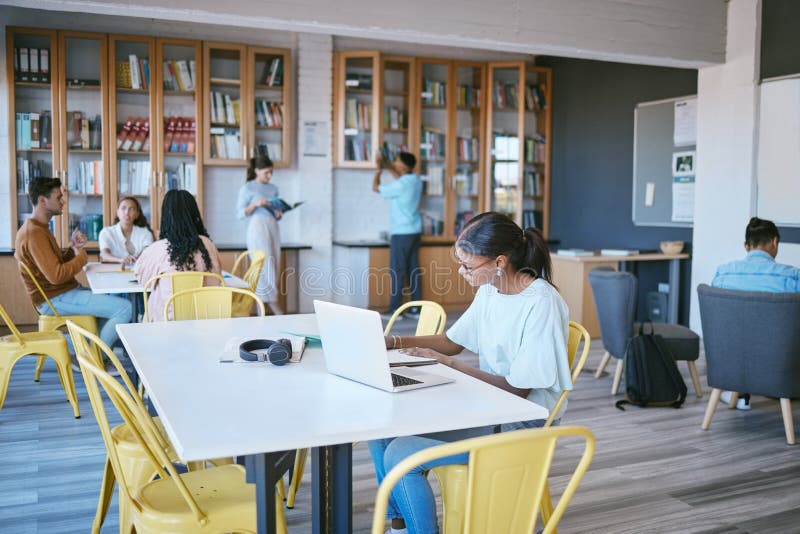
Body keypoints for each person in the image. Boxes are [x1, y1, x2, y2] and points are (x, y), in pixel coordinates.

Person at [368, 212, 572, 534]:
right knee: (381, 432)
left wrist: (450, 365)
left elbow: (519, 390)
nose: (461, 272)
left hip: (522, 420)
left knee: (400, 455)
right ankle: (402, 525)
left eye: (467, 266)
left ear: (499, 262)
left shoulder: (541, 303)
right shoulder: (492, 289)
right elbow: (452, 342)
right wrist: (392, 341)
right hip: (489, 406)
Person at [15, 177, 132, 353]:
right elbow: (56, 276)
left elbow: (53, 265)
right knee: (125, 308)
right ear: (42, 200)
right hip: (55, 299)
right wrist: (81, 258)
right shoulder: (34, 233)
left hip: (60, 294)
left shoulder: (38, 228)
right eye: (58, 197)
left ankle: (88, 353)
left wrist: (72, 249)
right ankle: (95, 357)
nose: (62, 202)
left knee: (109, 302)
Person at [711, 216, 800, 410]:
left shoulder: (723, 274)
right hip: (779, 361)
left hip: (731, 358)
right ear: (775, 242)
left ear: (746, 246)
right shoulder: (792, 277)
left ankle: (739, 393)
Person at [135, 190, 222, 321]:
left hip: (168, 322)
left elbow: (143, 280)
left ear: (166, 216)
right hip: (207, 318)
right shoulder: (208, 244)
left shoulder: (158, 248)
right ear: (195, 214)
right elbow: (218, 274)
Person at [372, 151, 423, 319]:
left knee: (397, 271)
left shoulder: (401, 184)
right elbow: (400, 176)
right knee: (413, 270)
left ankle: (395, 310)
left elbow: (375, 187)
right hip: (415, 231)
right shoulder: (415, 180)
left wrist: (379, 169)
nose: (395, 163)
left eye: (397, 161)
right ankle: (416, 310)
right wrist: (387, 164)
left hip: (401, 233)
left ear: (403, 167)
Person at [236, 155, 283, 315]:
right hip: (257, 227)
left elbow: (276, 210)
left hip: (273, 226)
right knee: (263, 265)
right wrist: (255, 204)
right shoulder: (247, 188)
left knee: (274, 264)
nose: (269, 176)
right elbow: (240, 214)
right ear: (256, 170)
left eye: (271, 172)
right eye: (266, 173)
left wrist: (278, 213)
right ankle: (273, 307)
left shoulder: (273, 188)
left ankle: (262, 309)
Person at [98, 196, 154, 267]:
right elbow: (104, 254)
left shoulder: (145, 233)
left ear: (137, 214)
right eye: (123, 208)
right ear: (117, 212)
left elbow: (147, 253)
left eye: (131, 209)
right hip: (113, 271)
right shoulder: (106, 232)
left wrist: (135, 259)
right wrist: (121, 260)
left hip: (139, 271)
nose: (127, 212)